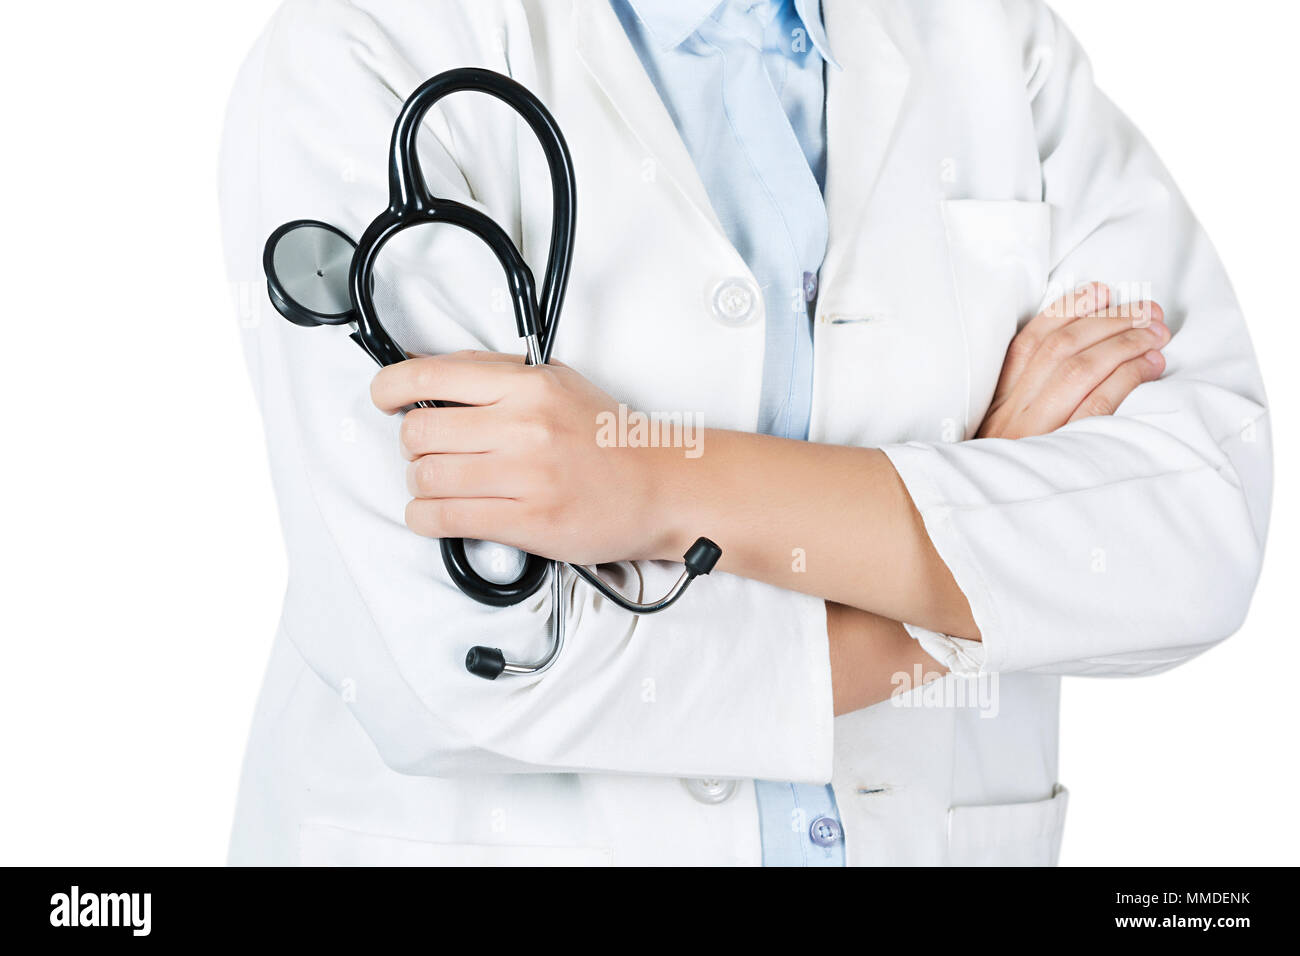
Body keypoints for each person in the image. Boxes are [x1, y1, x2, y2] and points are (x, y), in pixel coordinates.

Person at [219, 0, 1270, 866]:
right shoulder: (363, 47)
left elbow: (1198, 523)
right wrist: (976, 570)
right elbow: (474, 668)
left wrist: (661, 480)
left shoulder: (991, 44)